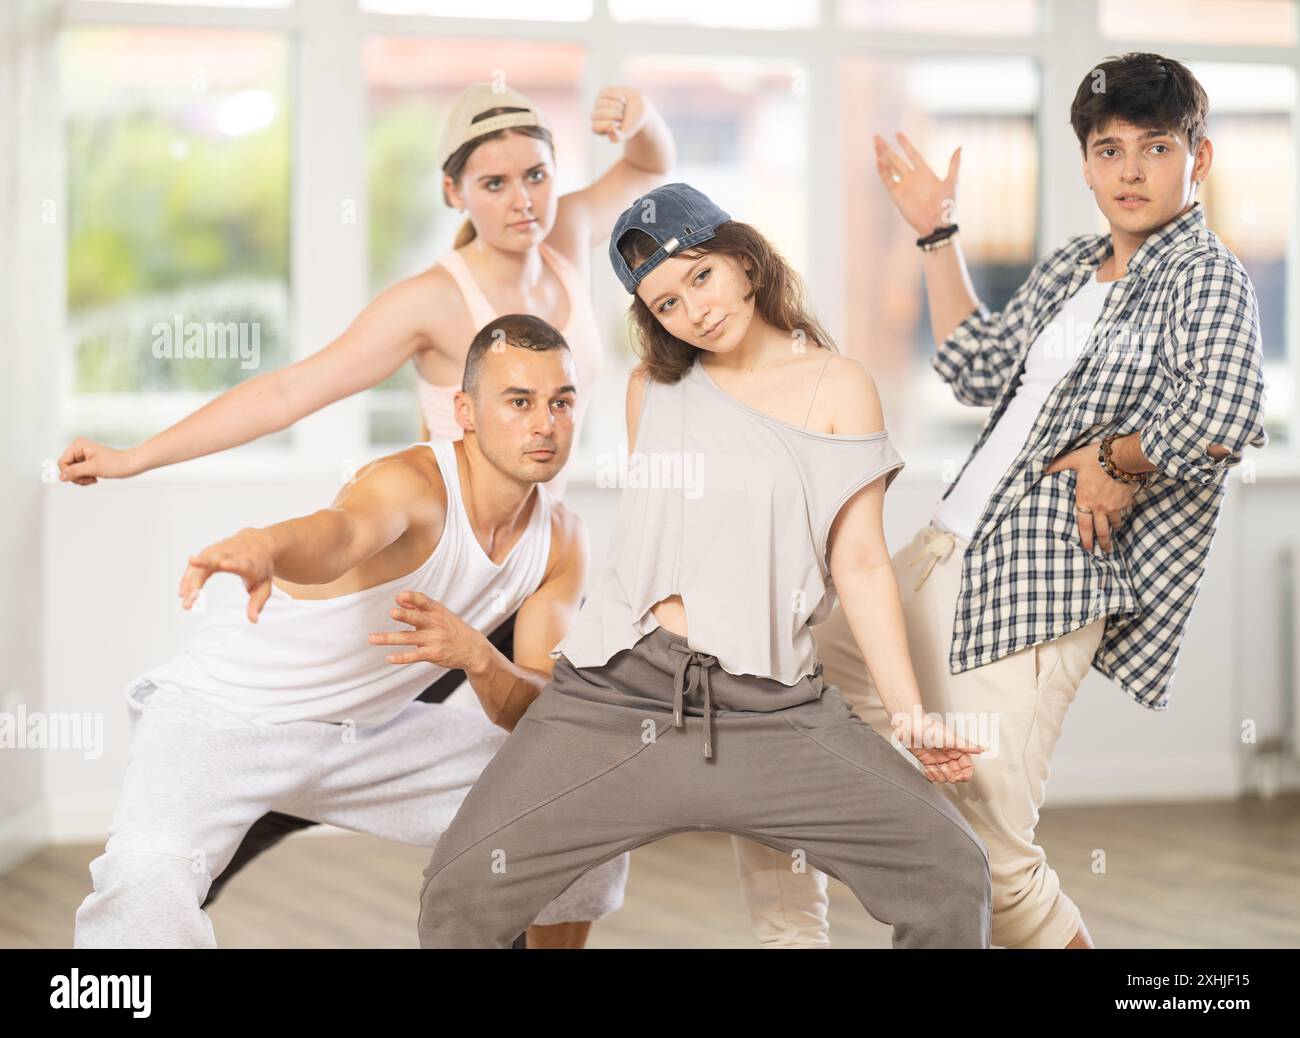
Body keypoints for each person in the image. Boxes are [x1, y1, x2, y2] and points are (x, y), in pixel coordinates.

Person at [61, 80, 674, 902]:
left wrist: (639, 118)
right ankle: (177, 869)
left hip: (525, 557)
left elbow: (648, 161)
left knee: (562, 778)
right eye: (494, 184)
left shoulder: (565, 228)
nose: (523, 200)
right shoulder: (430, 300)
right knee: (298, 762)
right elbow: (291, 393)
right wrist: (137, 458)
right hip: (428, 564)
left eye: (537, 174)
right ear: (453, 192)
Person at [734, 51, 1269, 949]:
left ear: (1199, 159)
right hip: (941, 553)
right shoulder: (1075, 264)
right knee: (775, 702)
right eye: (1108, 150)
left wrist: (1120, 457)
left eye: (1155, 147)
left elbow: (1228, 412)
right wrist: (937, 234)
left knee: (993, 854)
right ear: (1086, 162)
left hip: (1037, 589)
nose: (1131, 171)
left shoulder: (1203, 275)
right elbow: (976, 363)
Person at [416, 183, 992, 949]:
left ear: (745, 262)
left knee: (952, 870)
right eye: (665, 304)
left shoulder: (839, 385)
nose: (693, 309)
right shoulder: (650, 390)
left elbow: (859, 565)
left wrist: (911, 715)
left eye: (700, 276)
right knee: (458, 891)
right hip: (615, 696)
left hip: (770, 708)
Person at [73, 315, 628, 949]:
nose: (544, 423)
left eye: (561, 402)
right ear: (465, 412)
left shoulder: (561, 540)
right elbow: (340, 534)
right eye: (519, 401)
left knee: (581, 783)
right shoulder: (412, 484)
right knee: (143, 888)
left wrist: (479, 658)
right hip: (226, 720)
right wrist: (264, 546)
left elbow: (539, 711)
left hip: (366, 739)